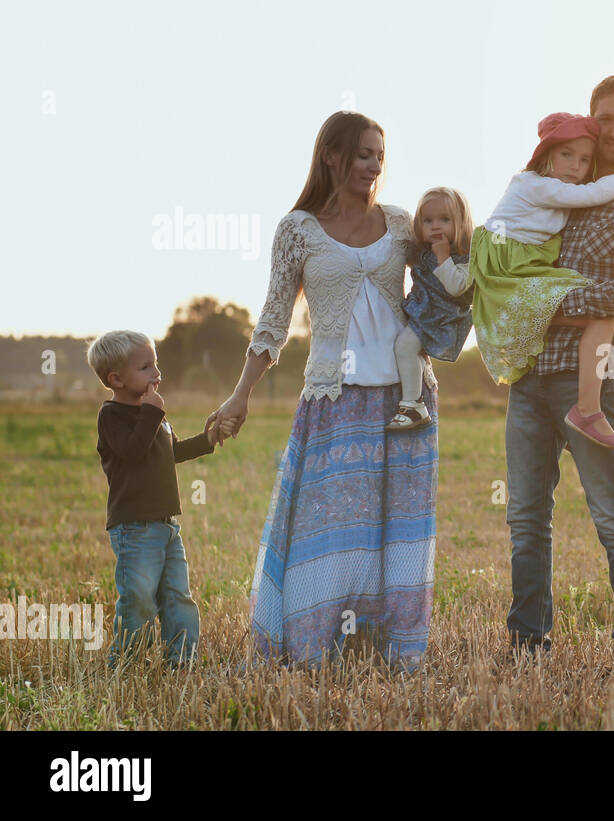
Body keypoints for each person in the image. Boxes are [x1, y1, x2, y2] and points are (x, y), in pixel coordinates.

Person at [208, 111, 455, 670]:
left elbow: (449, 279)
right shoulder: (298, 229)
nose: (373, 166)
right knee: (326, 528)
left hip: (406, 402)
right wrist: (240, 394)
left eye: (380, 157)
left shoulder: (399, 225)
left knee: (400, 533)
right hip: (334, 397)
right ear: (331, 156)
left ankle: (392, 653)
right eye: (363, 154)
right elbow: (273, 319)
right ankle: (315, 648)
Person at [505, 76, 614, 677]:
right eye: (607, 119)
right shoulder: (565, 190)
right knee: (526, 517)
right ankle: (528, 645)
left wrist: (555, 304)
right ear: (592, 122)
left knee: (612, 515)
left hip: (591, 382)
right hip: (530, 375)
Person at [470, 112, 614, 449]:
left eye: (584, 159)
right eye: (566, 155)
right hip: (509, 265)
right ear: (545, 156)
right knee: (602, 313)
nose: (575, 166)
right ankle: (587, 409)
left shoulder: (558, 188)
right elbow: (594, 194)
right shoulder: (534, 184)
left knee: (601, 314)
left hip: (523, 264)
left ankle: (586, 407)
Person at [87, 329, 232, 667]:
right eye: (146, 367)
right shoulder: (111, 416)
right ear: (116, 379)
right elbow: (133, 452)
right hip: (134, 529)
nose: (157, 373)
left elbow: (172, 452)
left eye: (156, 364)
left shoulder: (154, 415)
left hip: (167, 526)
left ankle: (182, 662)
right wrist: (152, 413)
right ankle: (126, 665)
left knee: (178, 597)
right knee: (138, 601)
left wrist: (208, 438)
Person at [385, 187, 475, 431]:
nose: (436, 226)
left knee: (404, 346)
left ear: (461, 222)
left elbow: (457, 287)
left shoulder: (465, 258)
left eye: (445, 220)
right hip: (423, 312)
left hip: (440, 318)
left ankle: (412, 405)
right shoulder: (424, 253)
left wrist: (444, 256)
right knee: (407, 350)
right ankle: (413, 401)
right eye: (428, 220)